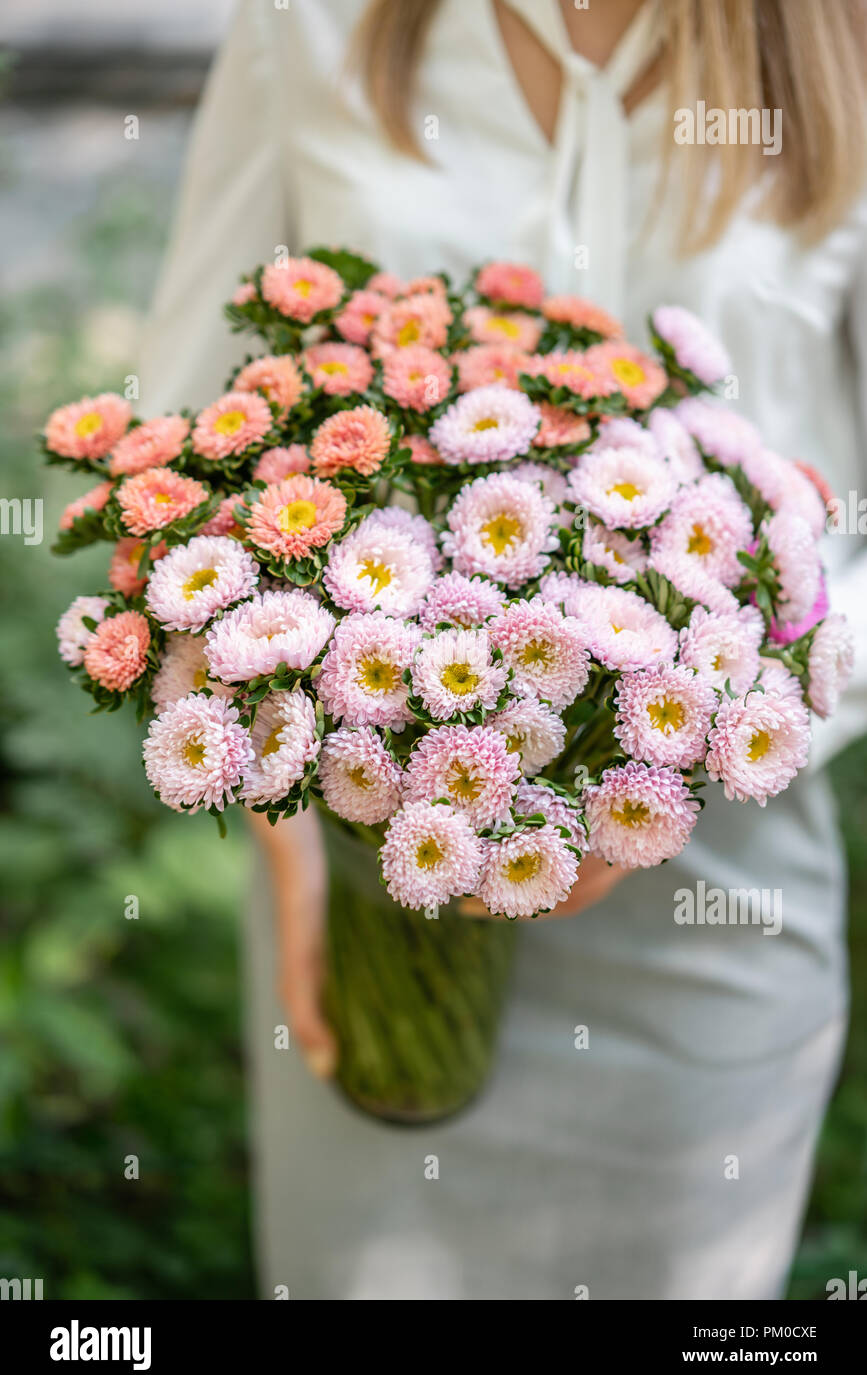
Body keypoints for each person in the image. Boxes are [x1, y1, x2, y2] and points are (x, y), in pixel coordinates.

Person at [138, 0, 867, 1299]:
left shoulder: (837, 45)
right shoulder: (310, 26)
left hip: (714, 912)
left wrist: (711, 723)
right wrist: (290, 817)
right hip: (369, 881)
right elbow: (185, 446)